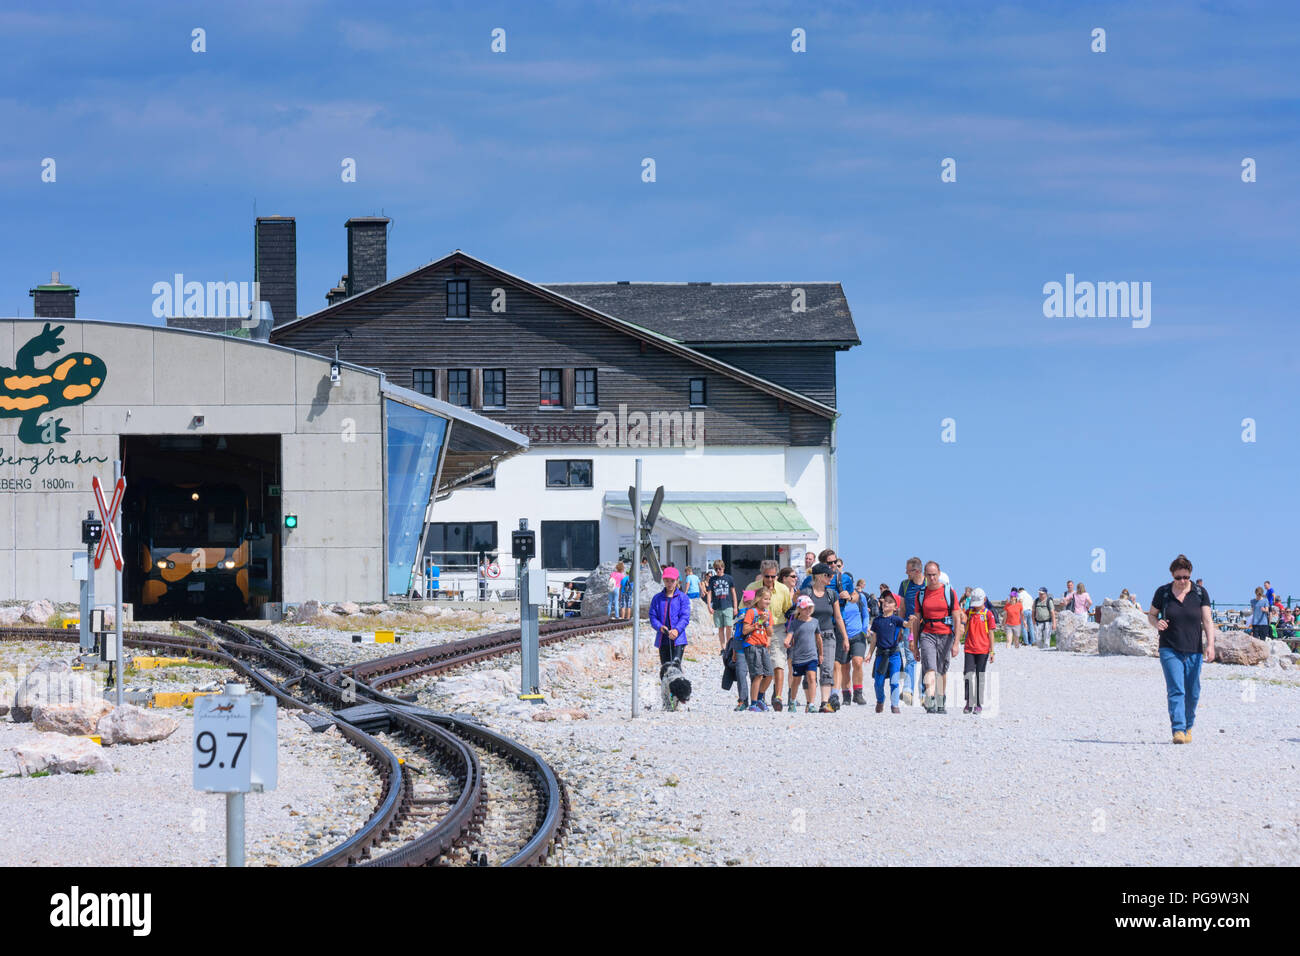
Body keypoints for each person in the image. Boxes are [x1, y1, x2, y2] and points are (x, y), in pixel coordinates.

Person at [1147, 554, 1216, 744]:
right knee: (1176, 689)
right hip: (1169, 648)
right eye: (1178, 578)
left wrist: (1210, 644)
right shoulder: (1163, 592)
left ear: (1190, 575)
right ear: (1172, 575)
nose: (1182, 581)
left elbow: (1207, 621)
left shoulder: (1200, 593)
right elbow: (1151, 615)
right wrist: (1156, 622)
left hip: (1194, 649)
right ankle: (1178, 730)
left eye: (1185, 577)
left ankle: (1188, 727)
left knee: (1193, 692)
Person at [908, 560, 963, 714]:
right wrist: (915, 643)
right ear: (925, 575)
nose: (932, 578)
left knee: (941, 670)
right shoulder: (921, 594)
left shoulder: (949, 592)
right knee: (930, 667)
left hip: (946, 634)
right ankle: (930, 698)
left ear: (939, 574)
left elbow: (957, 618)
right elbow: (916, 619)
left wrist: (956, 643)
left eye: (934, 575)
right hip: (927, 634)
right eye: (929, 575)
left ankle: (940, 699)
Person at [802, 562, 850, 712]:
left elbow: (838, 617)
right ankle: (810, 702)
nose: (831, 578)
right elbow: (799, 615)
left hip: (828, 635)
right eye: (828, 575)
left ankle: (824, 703)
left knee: (827, 669)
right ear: (819, 576)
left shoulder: (832, 594)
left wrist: (845, 638)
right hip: (809, 636)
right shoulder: (806, 593)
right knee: (809, 671)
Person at [747, 561, 792, 710]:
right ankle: (758, 698)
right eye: (767, 576)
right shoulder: (752, 588)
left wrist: (792, 632)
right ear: (762, 575)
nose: (771, 580)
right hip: (755, 630)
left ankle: (778, 696)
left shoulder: (783, 589)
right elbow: (742, 609)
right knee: (759, 666)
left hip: (777, 628)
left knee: (778, 662)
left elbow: (789, 611)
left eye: (774, 576)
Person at [867, 592, 907, 713]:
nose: (886, 603)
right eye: (885, 600)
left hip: (894, 654)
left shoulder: (897, 620)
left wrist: (912, 621)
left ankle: (894, 705)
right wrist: (869, 653)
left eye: (890, 601)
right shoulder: (877, 621)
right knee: (878, 682)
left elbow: (907, 624)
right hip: (881, 654)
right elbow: (874, 638)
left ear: (895, 608)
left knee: (894, 681)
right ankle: (880, 700)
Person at [897, 558, 926, 706]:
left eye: (908, 570)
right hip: (909, 627)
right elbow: (901, 607)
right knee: (910, 658)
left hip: (926, 627)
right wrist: (900, 627)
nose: (905, 572)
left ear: (917, 571)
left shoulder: (929, 584)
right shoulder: (905, 584)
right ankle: (908, 690)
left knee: (926, 659)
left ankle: (924, 692)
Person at [649, 566, 691, 668]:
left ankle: (678, 684)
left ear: (677, 581)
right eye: (667, 581)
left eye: (672, 581)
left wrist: (676, 630)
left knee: (676, 668)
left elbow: (685, 617)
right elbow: (653, 617)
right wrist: (660, 627)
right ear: (663, 581)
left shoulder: (683, 598)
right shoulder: (657, 598)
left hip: (678, 639)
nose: (669, 583)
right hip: (663, 638)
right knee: (665, 668)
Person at [786, 595, 822, 713]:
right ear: (799, 609)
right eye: (805, 608)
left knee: (812, 678)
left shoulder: (815, 622)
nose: (808, 610)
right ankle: (792, 701)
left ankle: (811, 704)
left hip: (812, 656)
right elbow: (789, 636)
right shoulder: (794, 623)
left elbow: (818, 639)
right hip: (798, 657)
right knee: (796, 681)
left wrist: (820, 654)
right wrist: (786, 642)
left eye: (810, 608)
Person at [962, 588, 995, 714]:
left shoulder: (988, 614)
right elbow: (962, 619)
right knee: (968, 674)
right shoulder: (969, 612)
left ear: (984, 600)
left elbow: (991, 633)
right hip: (969, 648)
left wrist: (992, 652)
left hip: (983, 649)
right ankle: (969, 702)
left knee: (980, 675)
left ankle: (979, 703)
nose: (976, 607)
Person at [742, 587, 774, 711]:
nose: (768, 601)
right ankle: (753, 703)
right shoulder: (752, 612)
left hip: (763, 646)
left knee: (769, 674)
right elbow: (745, 630)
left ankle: (760, 698)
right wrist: (760, 621)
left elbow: (770, 632)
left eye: (769, 599)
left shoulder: (768, 613)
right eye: (765, 599)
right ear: (758, 599)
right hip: (752, 645)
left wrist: (766, 622)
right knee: (758, 675)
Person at [839, 584, 870, 705]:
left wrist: (864, 630)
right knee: (845, 667)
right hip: (842, 637)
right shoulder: (838, 598)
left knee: (857, 662)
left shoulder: (859, 597)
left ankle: (858, 693)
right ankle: (846, 695)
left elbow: (866, 615)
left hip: (858, 635)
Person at [707, 559, 738, 654]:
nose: (718, 571)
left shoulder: (729, 578)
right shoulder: (712, 579)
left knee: (729, 626)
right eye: (716, 569)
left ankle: (729, 646)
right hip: (717, 606)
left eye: (719, 568)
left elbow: (733, 592)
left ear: (723, 568)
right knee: (720, 628)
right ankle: (723, 648)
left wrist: (735, 606)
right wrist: (709, 606)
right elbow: (709, 593)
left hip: (728, 605)